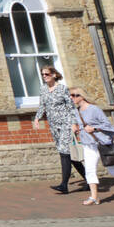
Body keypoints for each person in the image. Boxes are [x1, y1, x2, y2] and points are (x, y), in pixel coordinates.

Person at [70, 88, 114, 206]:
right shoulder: (76, 111)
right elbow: (77, 123)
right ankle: (94, 197)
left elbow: (109, 126)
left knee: (113, 170)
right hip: (88, 145)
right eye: (70, 96)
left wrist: (94, 128)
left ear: (81, 96)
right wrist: (75, 127)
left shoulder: (94, 109)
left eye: (73, 95)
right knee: (90, 171)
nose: (71, 98)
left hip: (101, 144)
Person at [31, 65, 86, 193]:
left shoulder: (62, 89)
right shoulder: (43, 89)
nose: (44, 77)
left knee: (64, 152)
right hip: (54, 125)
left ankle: (64, 185)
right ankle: (89, 180)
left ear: (54, 75)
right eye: (43, 75)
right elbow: (42, 106)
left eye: (47, 74)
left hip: (66, 123)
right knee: (68, 154)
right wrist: (36, 118)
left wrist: (74, 123)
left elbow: (71, 106)